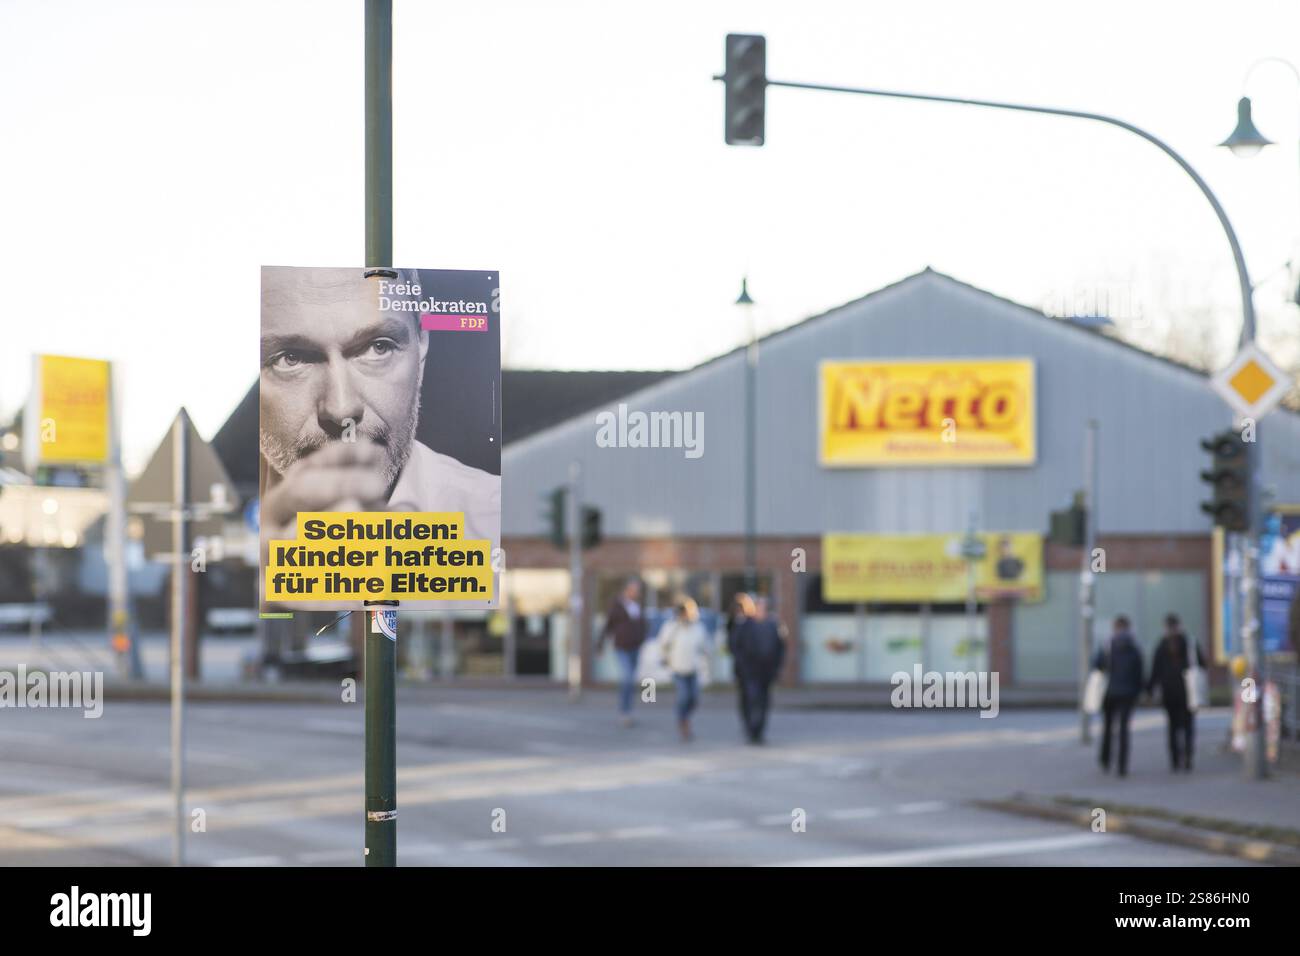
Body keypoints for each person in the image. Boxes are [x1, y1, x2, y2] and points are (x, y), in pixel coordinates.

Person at [258, 267, 501, 590]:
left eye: (378, 347)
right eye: (290, 359)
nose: (341, 408)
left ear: (422, 345)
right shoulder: (244, 538)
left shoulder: (489, 518)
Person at [1147, 613, 1205, 771]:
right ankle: (1187, 756)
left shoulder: (1163, 645)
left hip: (1170, 692)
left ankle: (1175, 760)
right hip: (1188, 692)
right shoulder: (1189, 643)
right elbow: (1202, 664)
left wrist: (1150, 690)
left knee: (1172, 727)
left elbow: (1155, 670)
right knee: (1187, 726)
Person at [730, 594, 786, 744]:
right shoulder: (744, 625)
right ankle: (750, 729)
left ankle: (758, 731)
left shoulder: (773, 625)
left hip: (766, 671)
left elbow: (780, 647)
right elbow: (735, 646)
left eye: (763, 606)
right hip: (748, 671)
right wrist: (742, 665)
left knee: (763, 701)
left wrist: (777, 667)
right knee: (750, 699)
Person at [1093, 614, 1144, 777]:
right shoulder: (1134, 648)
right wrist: (1140, 692)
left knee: (1108, 727)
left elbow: (1096, 666)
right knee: (1124, 730)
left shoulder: (1108, 646)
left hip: (1109, 693)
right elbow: (1140, 674)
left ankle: (1105, 760)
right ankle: (1122, 765)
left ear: (1114, 628)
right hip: (1128, 694)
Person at [597, 578, 647, 726]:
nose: (636, 593)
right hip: (622, 648)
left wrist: (643, 637)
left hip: (635, 648)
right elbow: (608, 625)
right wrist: (600, 645)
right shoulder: (617, 606)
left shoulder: (637, 606)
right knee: (627, 678)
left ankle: (629, 710)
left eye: (638, 591)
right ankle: (624, 711)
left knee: (631, 681)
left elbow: (642, 624)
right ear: (627, 590)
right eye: (634, 590)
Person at [658, 596, 709, 741]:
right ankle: (683, 722)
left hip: (693, 669)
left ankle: (685, 717)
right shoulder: (672, 627)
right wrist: (665, 659)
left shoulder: (698, 628)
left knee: (694, 699)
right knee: (683, 697)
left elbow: (705, 647)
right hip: (678, 670)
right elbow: (663, 644)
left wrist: (706, 666)